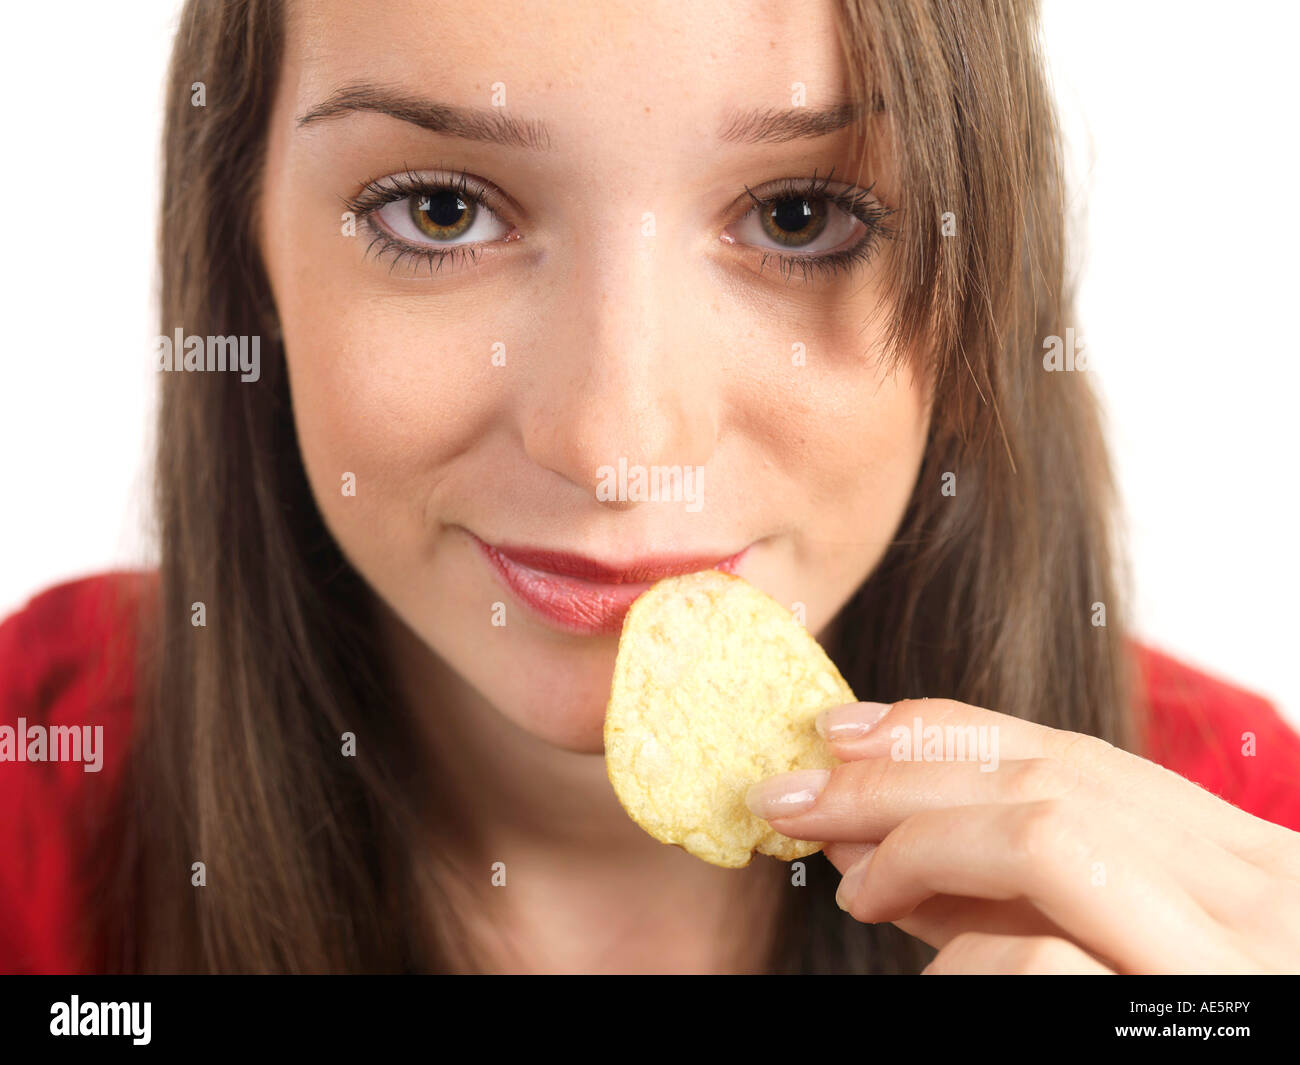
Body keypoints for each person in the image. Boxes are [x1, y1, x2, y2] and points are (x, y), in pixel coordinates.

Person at [3, 0, 1298, 974]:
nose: (611, 433)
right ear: (245, 252)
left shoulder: (1243, 850)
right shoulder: (36, 776)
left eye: (800, 215)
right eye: (441, 209)